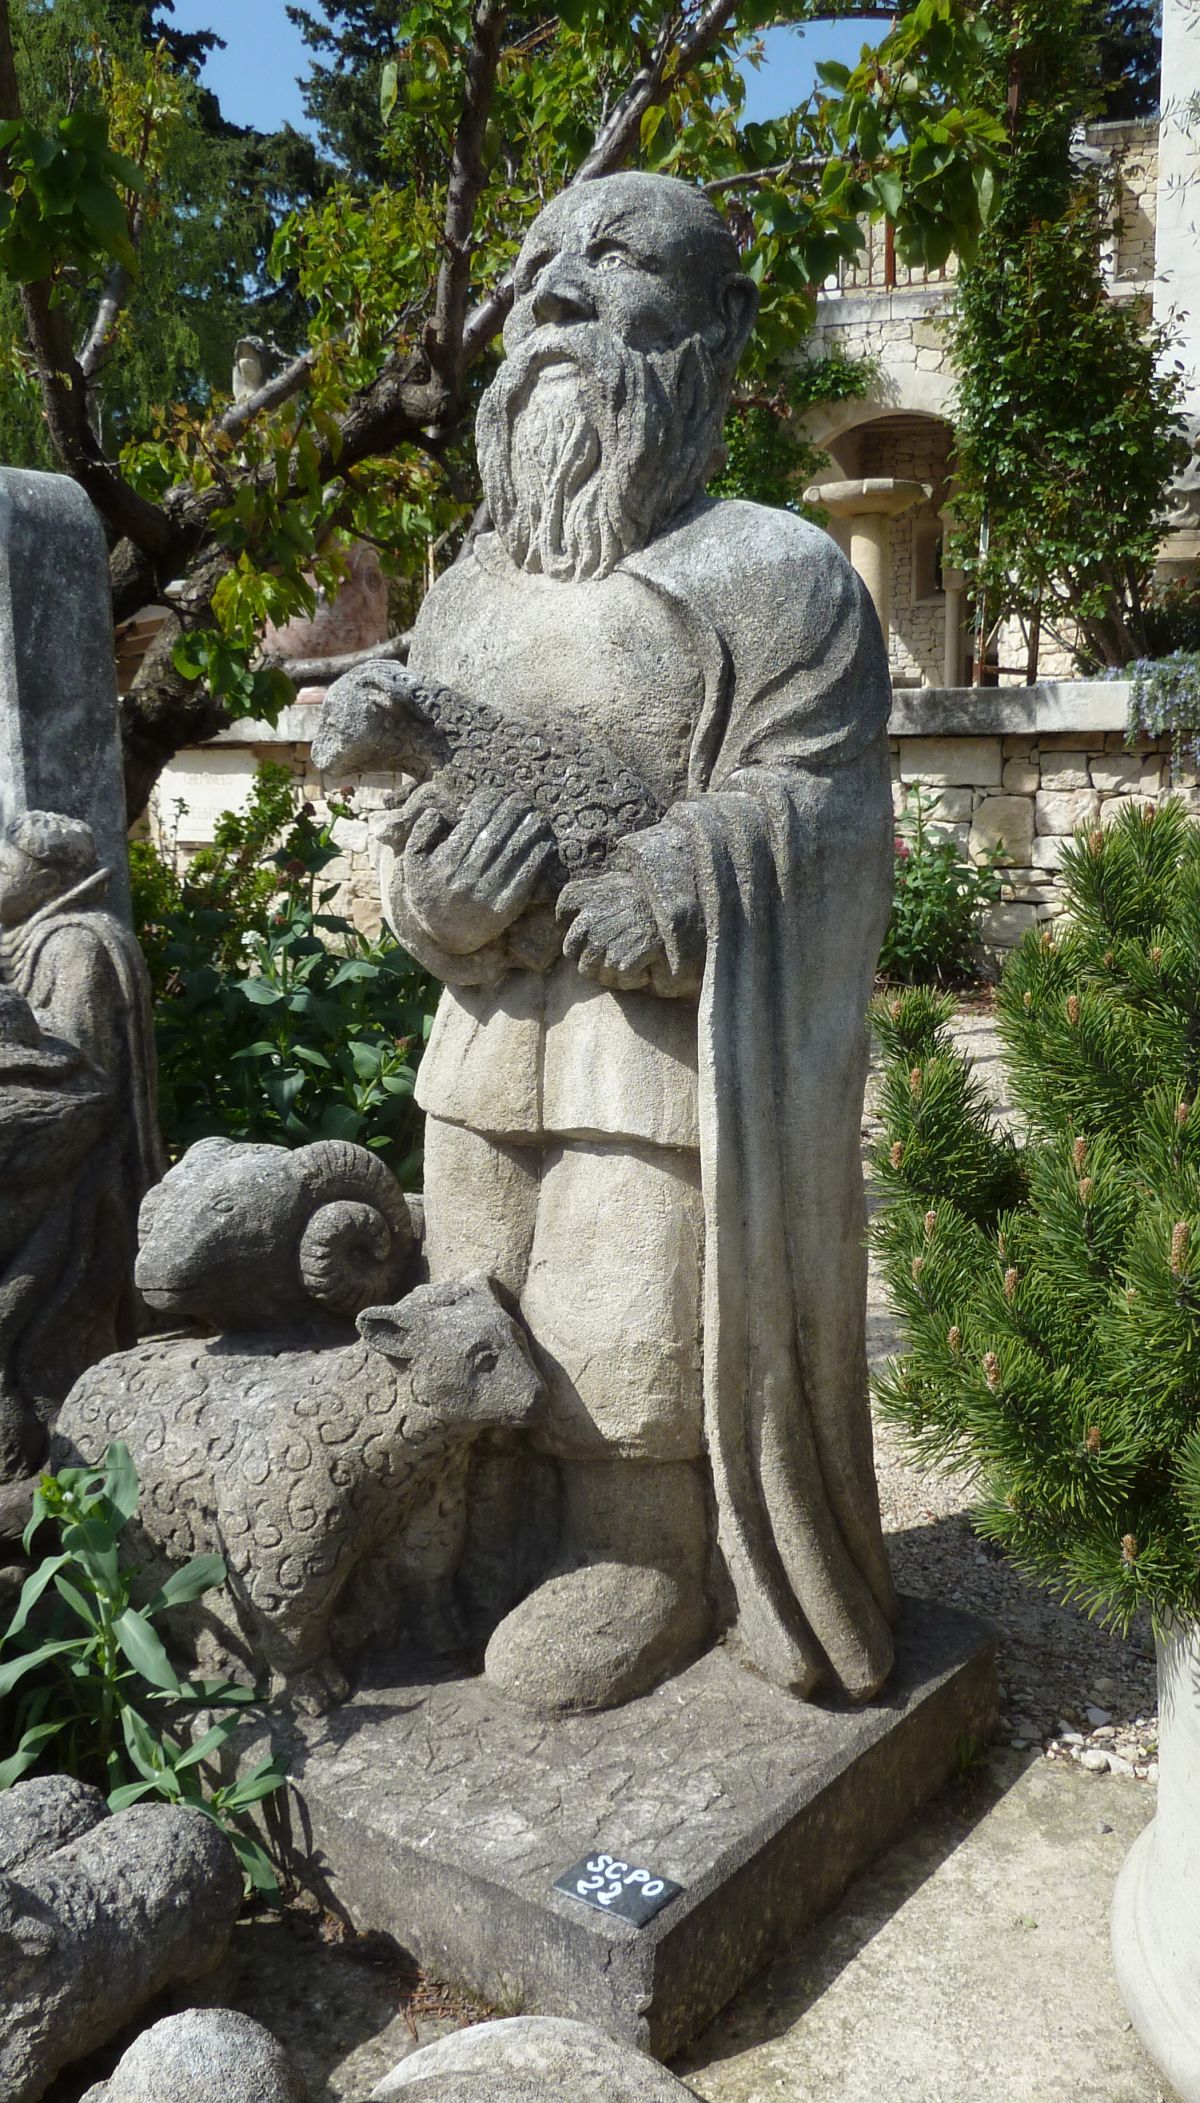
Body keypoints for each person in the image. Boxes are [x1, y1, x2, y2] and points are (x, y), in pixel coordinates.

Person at [378, 172, 898, 1711]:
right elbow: (404, 834)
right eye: (536, 262)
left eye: (611, 263)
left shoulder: (781, 576)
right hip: (482, 1047)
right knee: (477, 1289)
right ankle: (483, 1528)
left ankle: (643, 1551)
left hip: (662, 1064)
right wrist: (438, 906)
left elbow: (823, 810)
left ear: (721, 328)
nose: (550, 294)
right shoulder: (463, 587)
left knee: (619, 1318)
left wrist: (686, 880)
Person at [0, 810, 162, 1468]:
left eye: (6, 868)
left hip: (76, 1177)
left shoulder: (76, 946)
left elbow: (90, 1089)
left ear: (45, 879)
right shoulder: (27, 939)